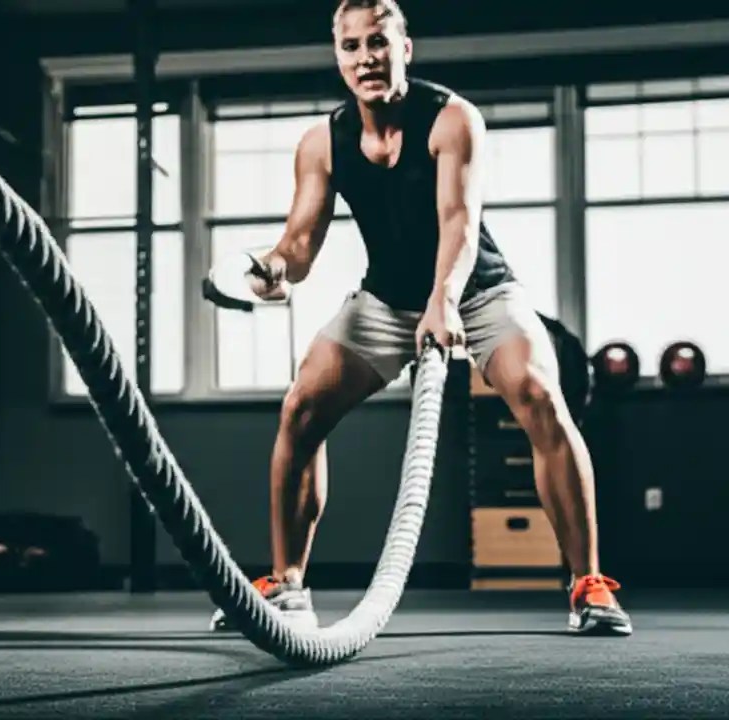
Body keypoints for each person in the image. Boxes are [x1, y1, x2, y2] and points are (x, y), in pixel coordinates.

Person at [209, 0, 632, 636]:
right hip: (386, 300)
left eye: (378, 42)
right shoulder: (322, 142)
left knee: (541, 396)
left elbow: (458, 222)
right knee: (301, 408)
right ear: (339, 58)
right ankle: (288, 585)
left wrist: (444, 300)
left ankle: (588, 585)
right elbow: (297, 246)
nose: (366, 58)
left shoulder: (453, 118)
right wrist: (271, 270)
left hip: (479, 290)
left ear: (404, 49)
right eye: (352, 46)